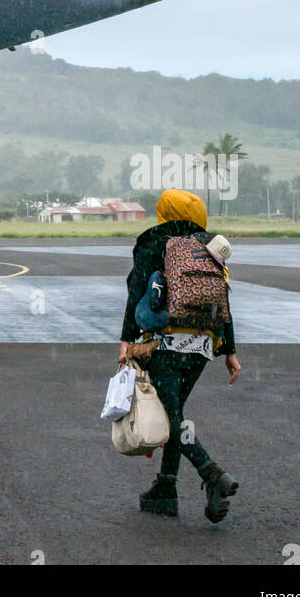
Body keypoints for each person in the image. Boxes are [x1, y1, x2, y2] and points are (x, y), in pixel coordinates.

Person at [119, 188, 241, 522]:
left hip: (164, 344)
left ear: (164, 212)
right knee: (174, 411)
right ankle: (166, 486)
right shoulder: (209, 244)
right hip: (202, 346)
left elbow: (136, 289)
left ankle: (212, 474)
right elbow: (223, 297)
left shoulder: (154, 241)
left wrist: (127, 338)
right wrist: (229, 350)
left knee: (169, 416)